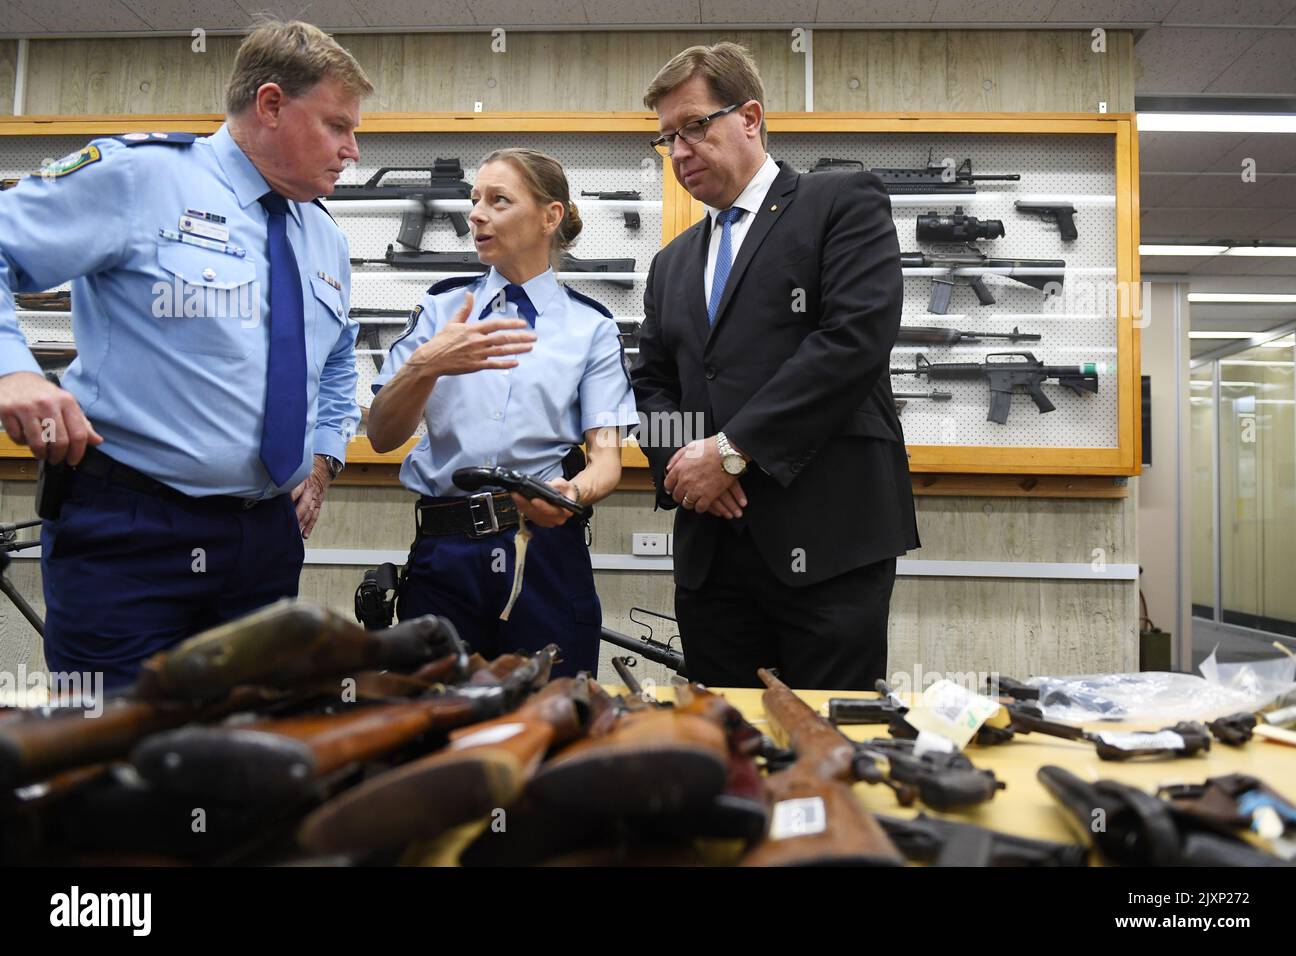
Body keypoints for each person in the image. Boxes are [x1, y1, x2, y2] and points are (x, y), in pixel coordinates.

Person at [0, 20, 372, 688]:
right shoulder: (140, 178)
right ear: (270, 105)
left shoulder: (322, 235)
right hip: (132, 532)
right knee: (112, 760)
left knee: (244, 758)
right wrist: (13, 370)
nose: (352, 149)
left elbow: (338, 355)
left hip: (264, 543)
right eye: (337, 126)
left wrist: (321, 458)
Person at [630, 42, 920, 690]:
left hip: (828, 544)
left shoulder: (842, 201)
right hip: (712, 557)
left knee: (829, 751)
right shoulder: (671, 262)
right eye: (666, 138)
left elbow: (853, 340)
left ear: (751, 117)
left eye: (694, 127)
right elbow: (650, 384)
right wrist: (684, 466)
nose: (678, 152)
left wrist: (733, 450)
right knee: (728, 751)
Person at [367, 148, 637, 678]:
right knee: (434, 722)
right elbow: (381, 434)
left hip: (543, 552)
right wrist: (426, 364)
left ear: (550, 216)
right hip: (444, 556)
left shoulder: (592, 328)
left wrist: (574, 494)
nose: (476, 214)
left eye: (498, 200)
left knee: (553, 718)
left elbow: (606, 458)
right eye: (473, 201)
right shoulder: (442, 310)